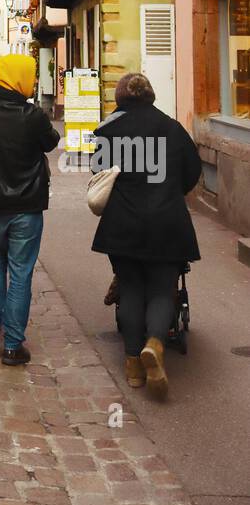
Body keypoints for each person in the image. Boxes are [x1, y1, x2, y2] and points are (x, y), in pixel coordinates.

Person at [91, 72, 201, 399]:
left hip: (123, 224)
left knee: (131, 287)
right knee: (161, 289)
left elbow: (99, 174)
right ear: (151, 95)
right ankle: (155, 344)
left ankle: (132, 363)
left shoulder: (108, 130)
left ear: (120, 97)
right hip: (167, 223)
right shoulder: (172, 128)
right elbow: (192, 172)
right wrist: (170, 191)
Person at [0, 53, 59, 365]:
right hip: (26, 204)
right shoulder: (31, 114)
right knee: (20, 272)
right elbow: (50, 143)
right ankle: (13, 344)